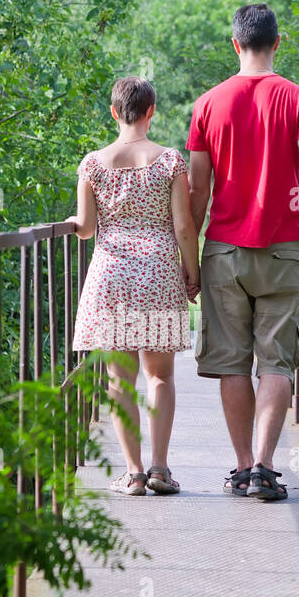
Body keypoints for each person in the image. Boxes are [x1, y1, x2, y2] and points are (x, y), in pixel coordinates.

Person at [187, 4, 299, 501]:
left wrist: (190, 258)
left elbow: (197, 190)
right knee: (276, 361)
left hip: (224, 251)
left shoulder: (208, 104)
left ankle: (242, 466)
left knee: (232, 363)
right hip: (284, 249)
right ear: (278, 42)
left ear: (235, 44)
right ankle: (266, 471)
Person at [69, 76, 200, 496]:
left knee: (118, 380)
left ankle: (134, 473)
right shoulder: (170, 162)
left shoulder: (92, 163)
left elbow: (86, 229)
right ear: (151, 112)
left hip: (112, 277)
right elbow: (183, 225)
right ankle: (161, 469)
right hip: (159, 271)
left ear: (113, 112)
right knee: (159, 377)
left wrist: (72, 223)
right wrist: (192, 271)